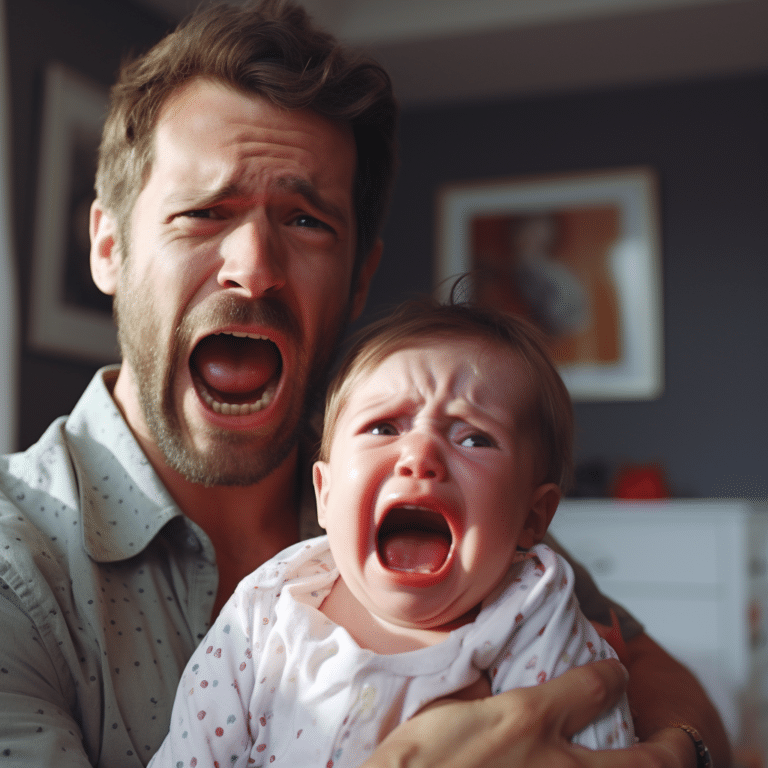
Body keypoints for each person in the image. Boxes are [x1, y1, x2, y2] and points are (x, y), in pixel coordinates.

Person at [0, 1, 729, 767]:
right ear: (109, 247)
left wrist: (672, 755)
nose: (254, 266)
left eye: (307, 220)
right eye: (204, 212)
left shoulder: (440, 499)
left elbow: (650, 668)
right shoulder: (18, 571)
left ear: (358, 280)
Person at [147, 298, 635, 768]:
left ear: (534, 516)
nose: (420, 454)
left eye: (473, 437)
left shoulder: (536, 617)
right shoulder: (268, 608)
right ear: (326, 493)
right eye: (383, 428)